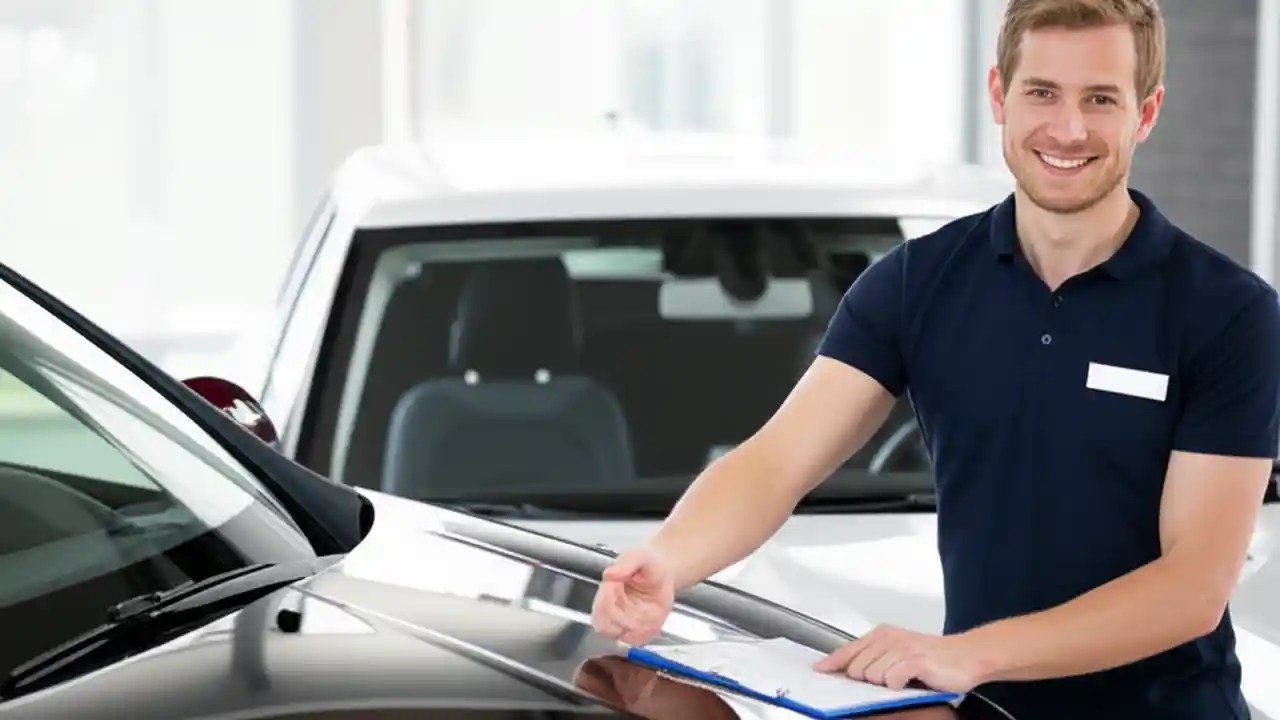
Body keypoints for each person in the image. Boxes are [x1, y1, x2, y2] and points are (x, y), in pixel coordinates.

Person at [590, 1, 1280, 717]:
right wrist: (669, 562)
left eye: (1100, 99)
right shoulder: (919, 283)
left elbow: (1193, 585)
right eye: (1042, 92)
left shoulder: (1228, 314)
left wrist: (969, 653)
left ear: (1146, 112)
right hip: (977, 710)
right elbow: (774, 463)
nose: (1068, 129)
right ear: (997, 96)